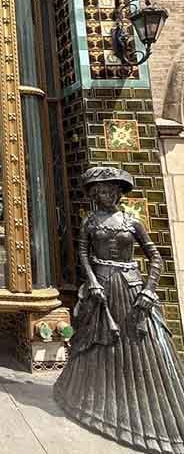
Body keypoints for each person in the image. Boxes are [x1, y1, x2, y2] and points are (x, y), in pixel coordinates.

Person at [54, 166, 184, 453]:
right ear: (94, 195)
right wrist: (92, 282)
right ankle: (92, 400)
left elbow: (155, 257)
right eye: (100, 191)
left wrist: (149, 289)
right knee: (97, 342)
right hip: (102, 288)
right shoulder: (90, 222)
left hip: (130, 288)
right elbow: (84, 255)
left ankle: (149, 414)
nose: (105, 195)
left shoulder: (131, 222)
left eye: (110, 190)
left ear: (118, 193)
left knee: (141, 345)